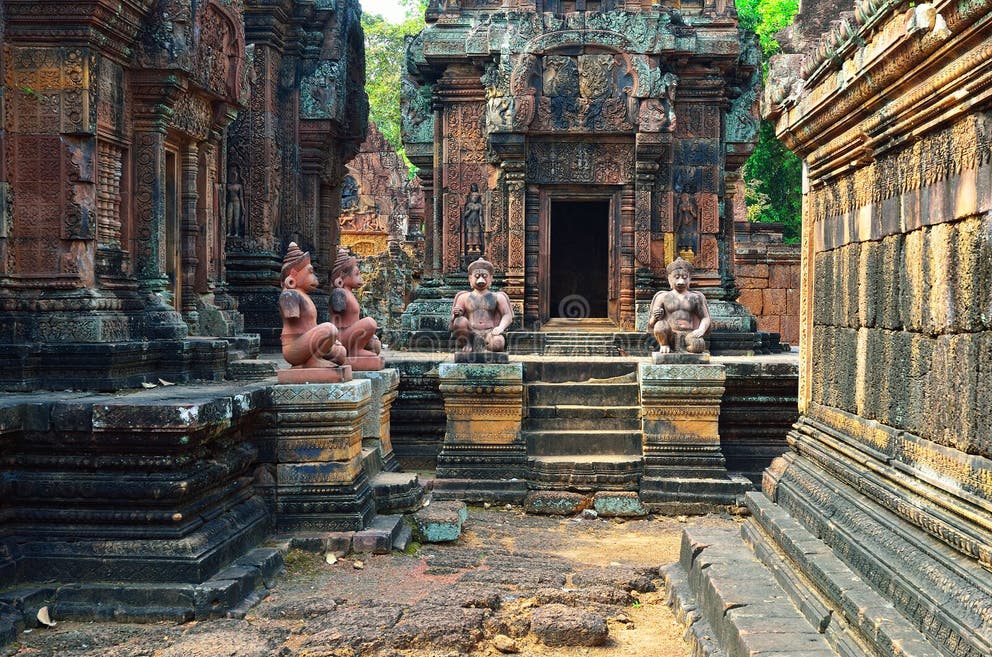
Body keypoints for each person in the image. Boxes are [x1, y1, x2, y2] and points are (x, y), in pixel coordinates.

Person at [279, 243, 347, 368]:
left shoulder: (304, 296)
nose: (315, 277)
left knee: (341, 353)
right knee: (330, 329)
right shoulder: (289, 295)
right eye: (310, 272)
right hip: (294, 347)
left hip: (309, 344)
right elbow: (293, 318)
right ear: (293, 276)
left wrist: (330, 342)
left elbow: (310, 327)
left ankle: (313, 359)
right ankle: (312, 362)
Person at [647, 257, 711, 354]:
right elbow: (651, 323)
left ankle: (685, 349)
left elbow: (705, 318)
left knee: (699, 346)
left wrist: (701, 330)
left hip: (689, 334)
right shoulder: (662, 297)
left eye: (684, 277)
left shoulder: (695, 297)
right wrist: (656, 317)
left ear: (689, 278)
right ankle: (664, 345)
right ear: (669, 279)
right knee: (660, 325)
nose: (681, 281)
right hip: (669, 335)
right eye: (676, 277)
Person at [330, 249, 383, 365]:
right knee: (370, 322)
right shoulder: (339, 292)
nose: (360, 278)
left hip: (351, 335)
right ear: (342, 278)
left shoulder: (348, 293)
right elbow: (337, 309)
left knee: (375, 346)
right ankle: (355, 351)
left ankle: (356, 349)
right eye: (357, 274)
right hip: (340, 337)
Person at [450, 257, 513, 352]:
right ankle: (467, 343)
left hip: (490, 332)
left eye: (484, 276)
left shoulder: (498, 297)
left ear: (491, 278)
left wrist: (501, 327)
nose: (481, 280)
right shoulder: (463, 297)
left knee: (498, 343)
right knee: (460, 321)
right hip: (471, 332)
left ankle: (487, 347)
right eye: (477, 276)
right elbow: (454, 322)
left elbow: (507, 315)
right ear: (470, 278)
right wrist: (456, 314)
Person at [463, 184, 484, 254]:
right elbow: (465, 215)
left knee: (477, 233)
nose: (474, 198)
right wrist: (469, 211)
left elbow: (480, 215)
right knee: (470, 234)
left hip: (476, 221)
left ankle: (477, 247)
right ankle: (470, 247)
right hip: (469, 221)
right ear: (471, 197)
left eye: (476, 196)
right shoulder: (469, 205)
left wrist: (481, 223)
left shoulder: (479, 205)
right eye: (473, 196)